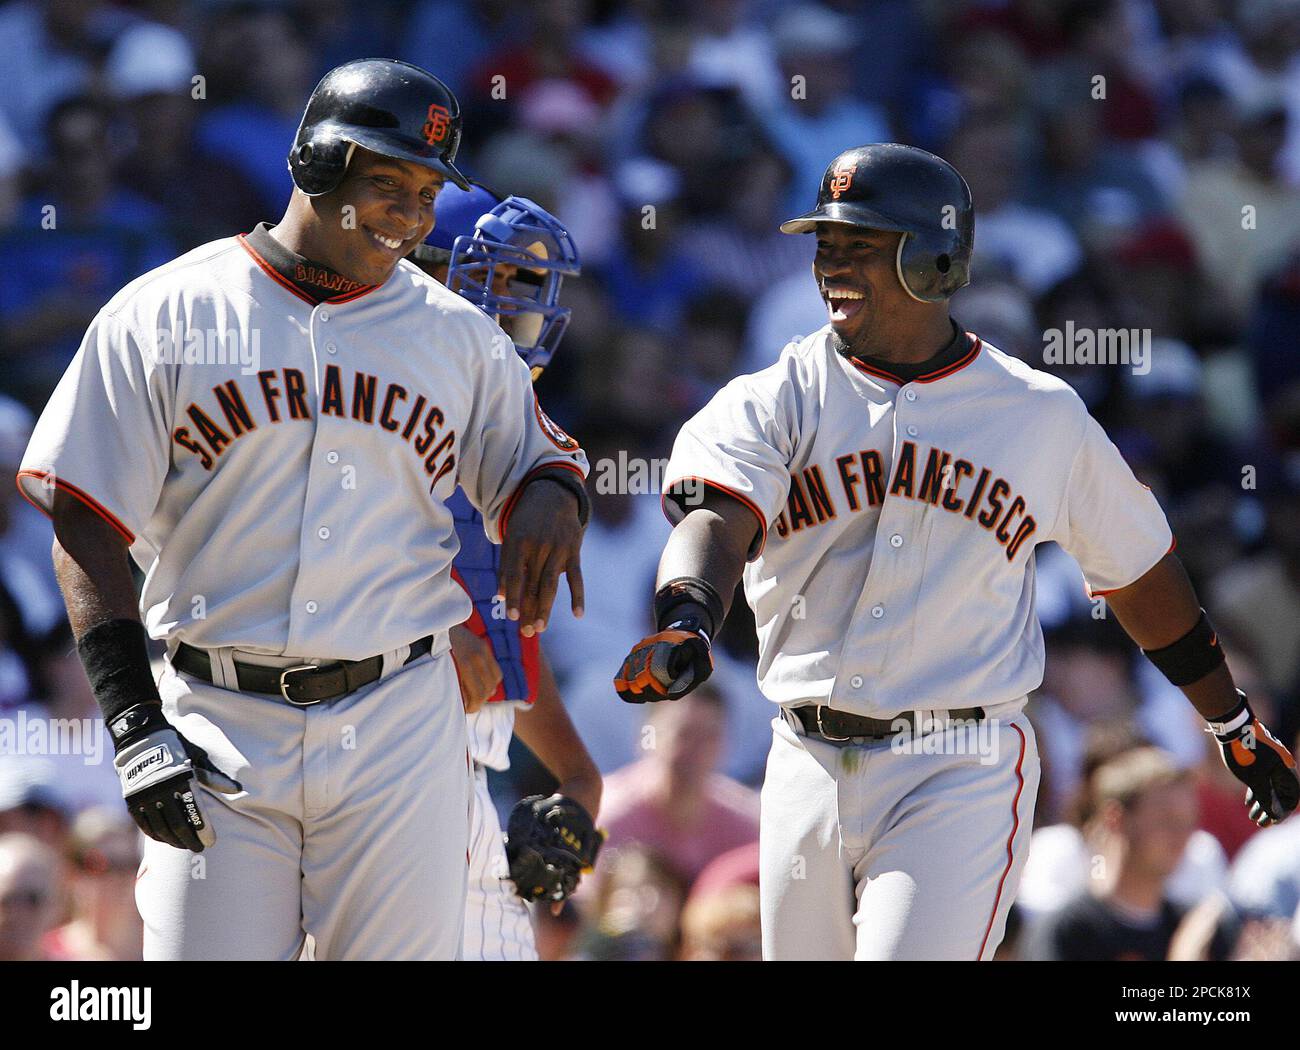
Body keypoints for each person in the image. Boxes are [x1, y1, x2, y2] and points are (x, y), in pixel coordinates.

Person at [614, 143, 1300, 961]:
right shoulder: (775, 398)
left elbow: (1141, 575)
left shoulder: (1039, 416)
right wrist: (688, 613)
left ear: (934, 259)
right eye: (826, 246)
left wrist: (1230, 720)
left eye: (861, 248)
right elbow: (716, 515)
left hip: (959, 763)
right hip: (803, 758)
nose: (832, 265)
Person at [16, 58, 588, 961]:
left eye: (428, 191)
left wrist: (554, 492)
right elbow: (85, 521)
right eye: (388, 181)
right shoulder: (167, 312)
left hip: (400, 720)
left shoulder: (457, 337)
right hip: (217, 717)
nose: (410, 213)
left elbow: (540, 458)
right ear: (317, 164)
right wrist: (132, 723)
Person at [409, 180, 602, 961]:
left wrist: (579, 777)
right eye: (491, 281)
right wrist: (432, 627)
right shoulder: (357, 410)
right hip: (356, 755)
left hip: (467, 779)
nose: (513, 309)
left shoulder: (501, 421)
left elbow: (501, 627)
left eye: (521, 286)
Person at [1021, 747, 1230, 962]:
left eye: (1188, 821)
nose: (1181, 835)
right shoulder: (1068, 932)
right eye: (1166, 820)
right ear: (1116, 819)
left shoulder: (1197, 928)